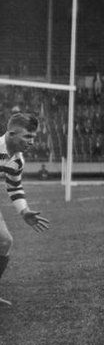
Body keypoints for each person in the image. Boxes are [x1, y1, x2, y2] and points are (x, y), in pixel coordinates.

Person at [0, 113, 51, 306]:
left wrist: (24, 211)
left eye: (33, 137)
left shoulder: (18, 161)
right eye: (27, 136)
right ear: (11, 134)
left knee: (4, 242)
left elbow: (14, 186)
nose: (31, 142)